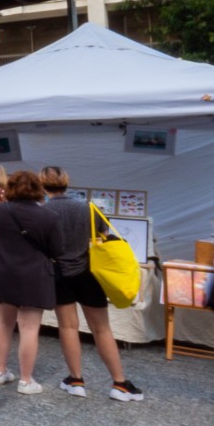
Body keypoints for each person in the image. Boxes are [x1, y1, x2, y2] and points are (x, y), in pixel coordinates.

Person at [40, 167, 143, 402]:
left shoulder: (44, 211)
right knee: (102, 329)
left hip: (59, 273)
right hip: (89, 273)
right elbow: (104, 235)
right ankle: (119, 383)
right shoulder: (89, 208)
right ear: (67, 182)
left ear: (42, 185)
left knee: (68, 327)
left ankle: (76, 380)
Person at [0, 170, 64, 394]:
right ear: (38, 189)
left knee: (3, 323)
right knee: (29, 329)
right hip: (33, 276)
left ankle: (0, 371)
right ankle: (26, 380)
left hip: (1, 272)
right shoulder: (49, 216)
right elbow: (58, 250)